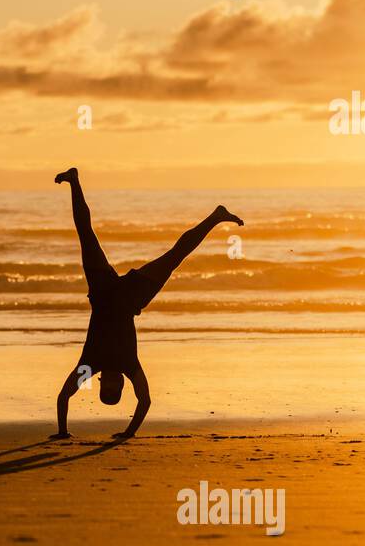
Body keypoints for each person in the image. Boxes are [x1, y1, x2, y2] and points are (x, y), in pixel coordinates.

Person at [51, 167, 242, 439]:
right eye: (114, 385)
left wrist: (63, 431)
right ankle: (216, 217)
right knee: (174, 256)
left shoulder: (91, 364)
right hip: (130, 298)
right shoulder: (122, 364)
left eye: (107, 383)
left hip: (104, 292)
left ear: (103, 380)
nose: (111, 379)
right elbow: (144, 401)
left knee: (86, 234)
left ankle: (74, 180)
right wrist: (127, 434)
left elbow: (64, 396)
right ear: (119, 385)